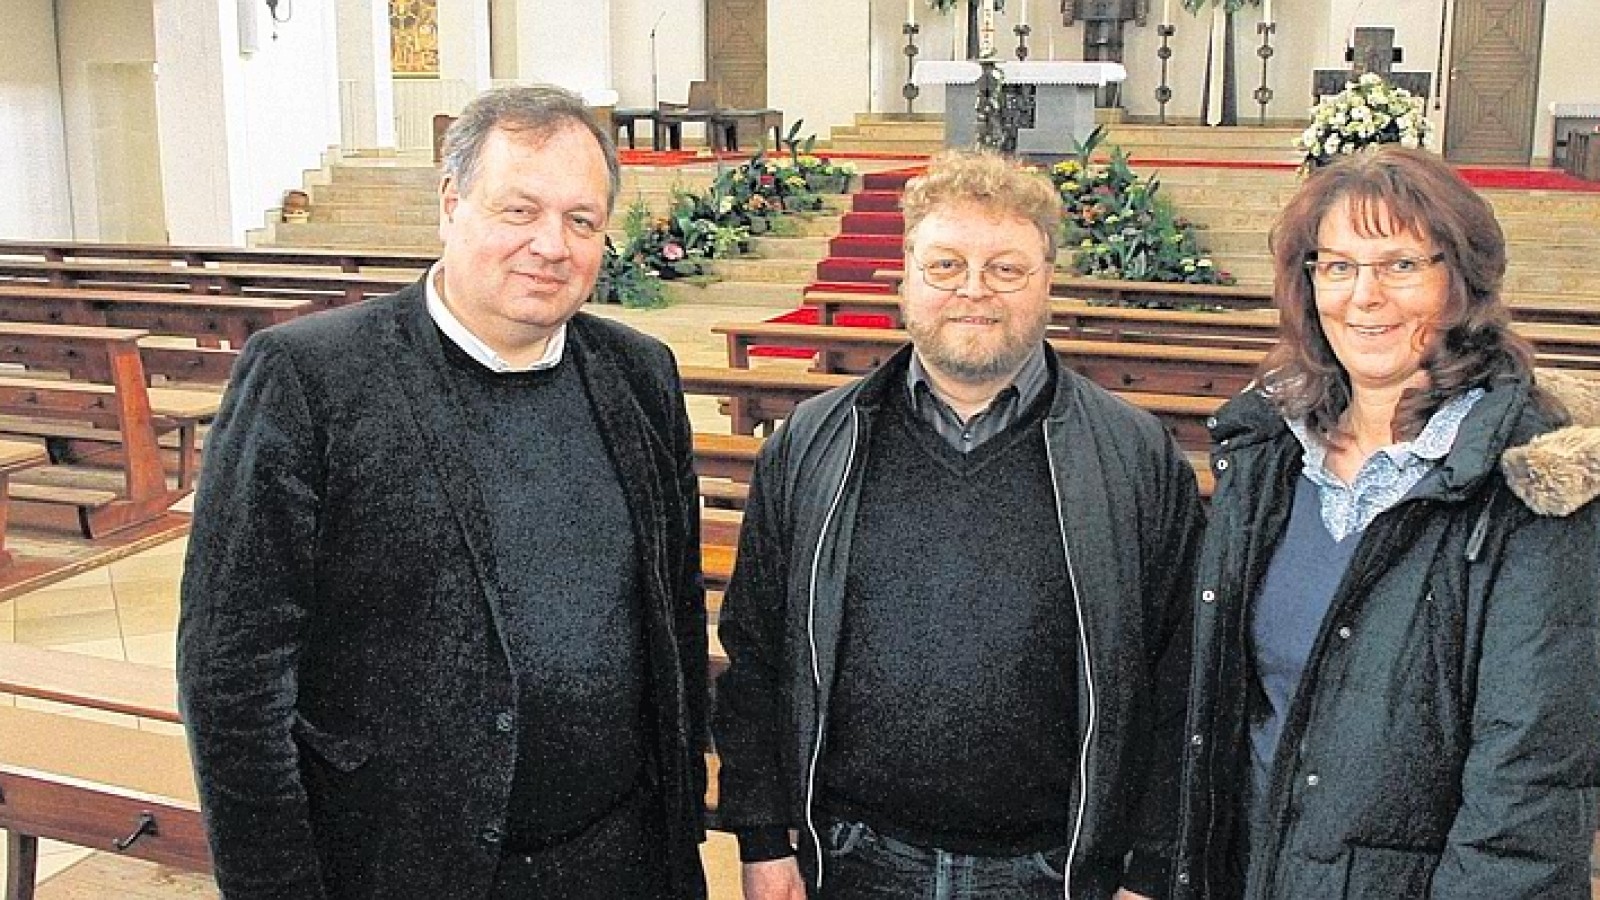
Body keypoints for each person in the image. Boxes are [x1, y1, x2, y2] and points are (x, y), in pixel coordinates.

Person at [177, 85, 708, 900]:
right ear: (451, 204)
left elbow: (674, 608)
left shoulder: (639, 374)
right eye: (518, 210)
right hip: (402, 866)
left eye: (581, 220)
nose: (550, 245)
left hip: (620, 858)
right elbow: (232, 673)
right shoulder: (312, 379)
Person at [713, 149, 1206, 900]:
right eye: (945, 265)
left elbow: (1181, 674)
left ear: (1047, 283)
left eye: (1006, 269)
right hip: (852, 859)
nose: (973, 289)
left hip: (1055, 869)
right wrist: (761, 836)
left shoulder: (1134, 454)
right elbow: (756, 649)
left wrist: (1150, 870)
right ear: (905, 280)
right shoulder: (816, 441)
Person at [1170, 147, 1600, 899]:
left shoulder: (1526, 483)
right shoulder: (1270, 454)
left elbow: (1530, 783)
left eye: (1401, 265)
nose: (1364, 297)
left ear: (1461, 281)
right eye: (1337, 266)